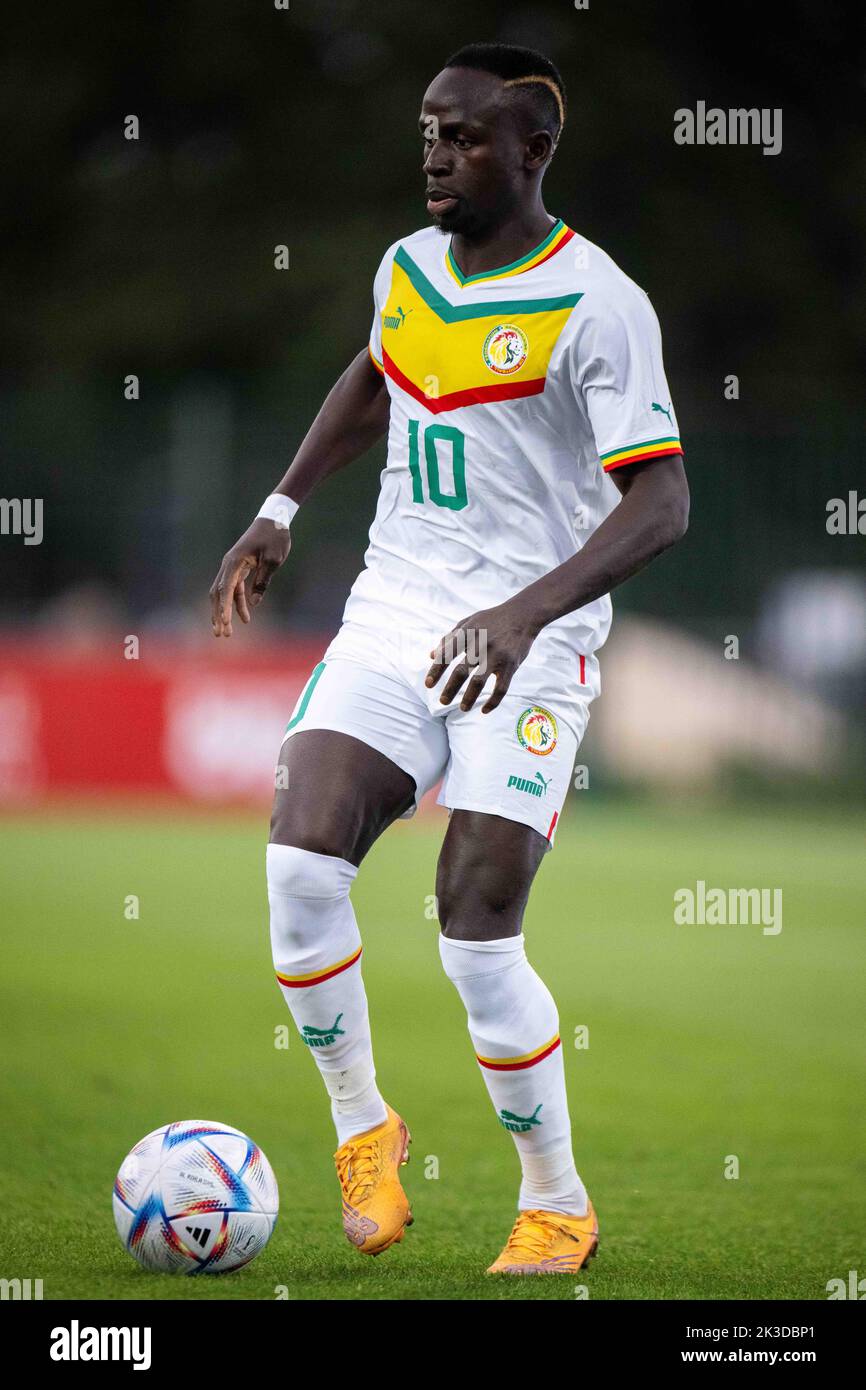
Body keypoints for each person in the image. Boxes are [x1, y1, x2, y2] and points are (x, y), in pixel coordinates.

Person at [210, 42, 689, 1275]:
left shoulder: (598, 303)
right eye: (428, 129)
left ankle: (554, 1201)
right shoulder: (406, 268)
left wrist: (525, 615)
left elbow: (659, 506)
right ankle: (363, 1130)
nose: (435, 151)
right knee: (298, 863)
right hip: (395, 609)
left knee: (474, 930)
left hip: (529, 644)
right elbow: (376, 375)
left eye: (465, 134)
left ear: (531, 151)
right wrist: (280, 506)